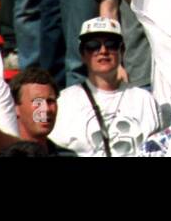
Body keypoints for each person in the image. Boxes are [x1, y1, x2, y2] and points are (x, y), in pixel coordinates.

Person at [49, 18, 163, 157]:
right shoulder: (64, 101)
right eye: (93, 46)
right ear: (82, 53)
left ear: (122, 50)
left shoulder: (145, 99)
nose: (103, 51)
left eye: (111, 44)